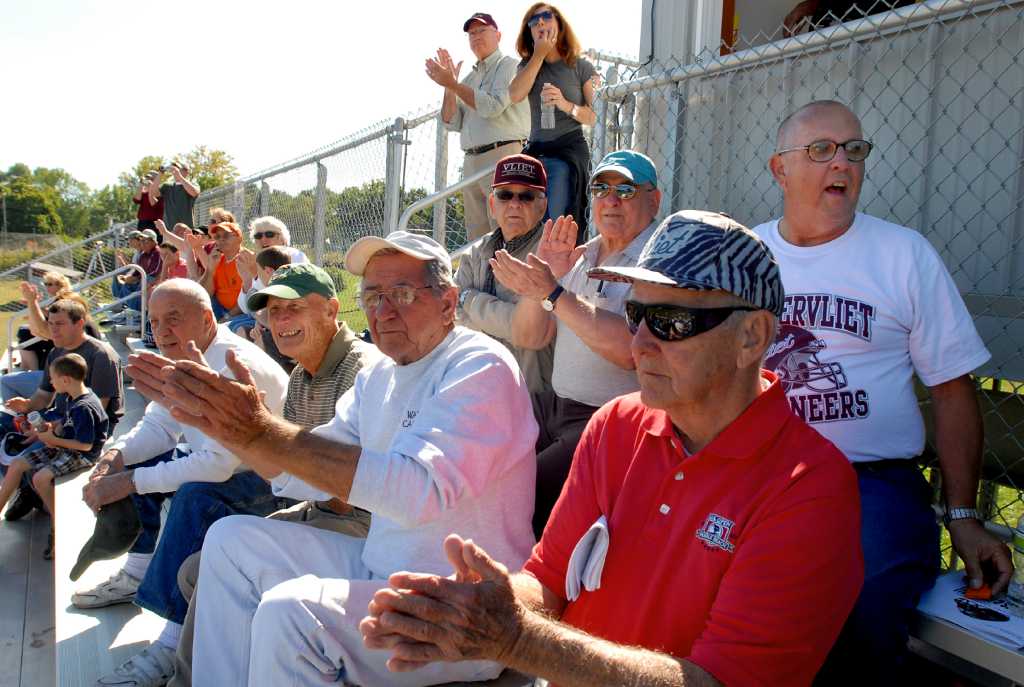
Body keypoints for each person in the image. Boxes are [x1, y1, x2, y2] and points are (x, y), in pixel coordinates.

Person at [361, 210, 864, 687]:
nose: (641, 341)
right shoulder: (616, 425)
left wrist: (513, 637)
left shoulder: (810, 489)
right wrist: (471, 607)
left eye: (672, 321)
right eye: (637, 313)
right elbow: (548, 579)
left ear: (752, 336)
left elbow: (721, 681)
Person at [126, 230, 537, 687]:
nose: (382, 310)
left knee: (292, 614)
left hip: (462, 607)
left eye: (401, 293)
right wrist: (224, 426)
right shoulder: (379, 374)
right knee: (229, 540)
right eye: (373, 295)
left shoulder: (480, 365)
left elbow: (421, 492)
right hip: (379, 566)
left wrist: (262, 431)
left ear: (448, 301)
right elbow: (304, 474)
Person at [753, 99, 1010, 683]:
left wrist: (964, 516)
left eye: (854, 150)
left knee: (862, 600)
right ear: (780, 168)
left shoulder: (903, 255)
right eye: (820, 150)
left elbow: (951, 389)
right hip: (759, 474)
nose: (841, 162)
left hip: (866, 481)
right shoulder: (747, 254)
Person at [166, 262, 382, 687]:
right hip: (323, 506)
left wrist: (250, 436)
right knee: (197, 567)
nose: (280, 321)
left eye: (295, 308)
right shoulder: (302, 373)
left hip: (364, 527)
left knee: (212, 555)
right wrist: (235, 430)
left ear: (332, 311)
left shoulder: (364, 370)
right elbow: (295, 470)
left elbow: (352, 491)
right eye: (273, 312)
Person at [76, 278, 291, 687]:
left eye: (174, 319)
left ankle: (170, 644)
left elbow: (218, 466)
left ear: (207, 319)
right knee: (144, 465)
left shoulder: (227, 362)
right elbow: (159, 423)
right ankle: (136, 573)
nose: (162, 331)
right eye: (155, 322)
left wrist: (129, 482)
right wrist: (114, 458)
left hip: (274, 484)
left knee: (195, 496)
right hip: (231, 468)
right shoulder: (188, 355)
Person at [494, 149, 660, 536]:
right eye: (601, 188)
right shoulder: (581, 254)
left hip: (608, 419)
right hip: (554, 404)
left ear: (654, 199)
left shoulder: (657, 259)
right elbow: (533, 335)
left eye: (626, 189)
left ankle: (515, 588)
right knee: (481, 445)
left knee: (521, 497)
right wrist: (547, 277)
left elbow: (629, 352)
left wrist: (553, 291)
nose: (611, 199)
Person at [2, 299, 123, 522]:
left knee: (26, 460)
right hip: (61, 422)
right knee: (5, 427)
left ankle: (33, 493)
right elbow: (44, 396)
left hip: (83, 430)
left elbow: (98, 412)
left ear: (79, 323)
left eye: (59, 324)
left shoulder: (101, 355)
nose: (52, 329)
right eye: (50, 323)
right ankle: (29, 490)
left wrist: (51, 432)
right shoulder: (56, 352)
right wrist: (26, 407)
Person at [455, 153, 554, 392]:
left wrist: (469, 298)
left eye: (527, 196)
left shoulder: (552, 255)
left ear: (542, 206)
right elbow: (454, 320)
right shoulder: (474, 253)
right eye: (504, 194)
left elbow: (524, 332)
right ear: (492, 204)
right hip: (474, 386)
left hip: (529, 394)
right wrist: (508, 318)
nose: (514, 204)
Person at [431, 12, 530, 241]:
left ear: (498, 35)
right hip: (472, 161)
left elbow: (492, 107)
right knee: (477, 237)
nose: (476, 36)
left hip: (503, 155)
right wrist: (449, 88)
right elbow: (450, 122)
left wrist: (453, 84)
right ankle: (482, 277)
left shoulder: (510, 66)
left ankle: (505, 278)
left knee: (505, 230)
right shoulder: (467, 79)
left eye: (482, 30)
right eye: (471, 33)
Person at [0, 353, 108, 558]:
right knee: (17, 464)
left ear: (65, 380)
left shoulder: (83, 407)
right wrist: (47, 428)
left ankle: (57, 526)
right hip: (63, 444)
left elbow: (85, 445)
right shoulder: (71, 396)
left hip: (80, 454)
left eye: (52, 377)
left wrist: (53, 440)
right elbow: (64, 423)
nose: (50, 381)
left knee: (40, 478)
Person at [510, 3, 597, 224]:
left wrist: (565, 104)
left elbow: (595, 115)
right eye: (533, 20)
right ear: (528, 31)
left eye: (547, 16)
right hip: (535, 152)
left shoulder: (581, 65)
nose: (540, 22)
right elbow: (515, 95)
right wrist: (538, 55)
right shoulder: (527, 65)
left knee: (556, 222)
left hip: (566, 151)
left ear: (559, 23)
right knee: (526, 221)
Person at [4, 272, 100, 401]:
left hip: (74, 383)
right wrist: (32, 304)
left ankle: (18, 418)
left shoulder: (81, 328)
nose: (54, 325)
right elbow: (37, 331)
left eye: (58, 322)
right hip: (65, 379)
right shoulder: (75, 323)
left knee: (4, 382)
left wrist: (32, 303)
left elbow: (42, 331)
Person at [199, 221, 245, 321]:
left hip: (241, 312)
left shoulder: (246, 259)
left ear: (239, 237)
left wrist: (227, 317)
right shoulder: (217, 259)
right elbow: (203, 293)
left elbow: (247, 299)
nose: (221, 239)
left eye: (226, 235)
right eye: (217, 237)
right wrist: (210, 269)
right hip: (220, 309)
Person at [153, 162, 200, 230]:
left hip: (186, 229)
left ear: (187, 172)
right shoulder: (167, 186)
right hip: (169, 230)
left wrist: (180, 177)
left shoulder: (192, 183)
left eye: (180, 168)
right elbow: (154, 193)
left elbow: (194, 193)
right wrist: (160, 174)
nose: (176, 170)